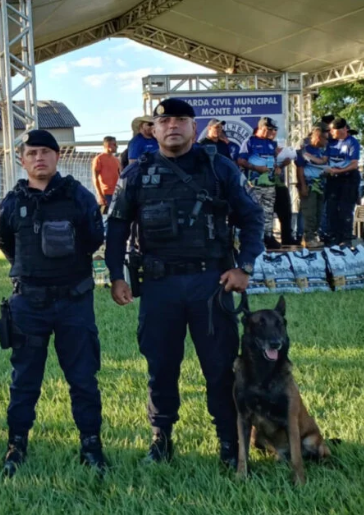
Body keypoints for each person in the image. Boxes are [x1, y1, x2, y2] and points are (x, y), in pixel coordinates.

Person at [105, 99, 264, 469]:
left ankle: (229, 442)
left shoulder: (219, 166)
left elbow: (252, 217)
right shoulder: (137, 172)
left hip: (211, 283)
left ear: (194, 127)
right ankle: (161, 439)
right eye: (164, 121)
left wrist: (244, 267)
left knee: (219, 367)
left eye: (180, 120)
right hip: (159, 285)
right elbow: (116, 227)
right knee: (160, 367)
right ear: (154, 129)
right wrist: (115, 275)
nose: (172, 126)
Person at [0, 129, 107, 477]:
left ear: (58, 156)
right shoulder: (12, 202)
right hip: (28, 304)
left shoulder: (79, 197)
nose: (39, 158)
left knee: (83, 378)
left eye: (45, 151)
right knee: (24, 379)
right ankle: (16, 444)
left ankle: (91, 445)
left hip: (74, 301)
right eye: (31, 153)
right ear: (22, 160)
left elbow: (93, 238)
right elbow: (7, 244)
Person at [238, 117, 283, 249]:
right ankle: (255, 238)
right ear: (261, 128)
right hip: (254, 184)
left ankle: (268, 237)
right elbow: (241, 160)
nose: (272, 132)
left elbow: (271, 161)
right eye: (269, 129)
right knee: (255, 211)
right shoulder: (250, 141)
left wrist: (276, 168)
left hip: (269, 183)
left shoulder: (271, 144)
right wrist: (256, 168)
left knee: (268, 212)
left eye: (274, 129)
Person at [325, 118, 361, 246]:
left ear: (343, 129)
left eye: (333, 130)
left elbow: (354, 164)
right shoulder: (330, 142)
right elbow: (324, 158)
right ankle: (334, 236)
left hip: (348, 178)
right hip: (333, 179)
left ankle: (346, 238)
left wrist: (339, 171)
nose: (331, 132)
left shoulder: (352, 142)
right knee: (331, 209)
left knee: (345, 209)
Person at [295, 125, 330, 248]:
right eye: (325, 139)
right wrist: (303, 185)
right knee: (309, 213)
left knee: (319, 213)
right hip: (309, 185)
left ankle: (313, 237)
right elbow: (300, 169)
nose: (327, 141)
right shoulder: (305, 151)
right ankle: (308, 238)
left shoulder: (322, 151)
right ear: (318, 137)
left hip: (320, 185)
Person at [267, 126, 298, 246]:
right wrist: (279, 165)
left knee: (285, 213)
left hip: (280, 185)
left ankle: (287, 237)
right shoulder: (263, 149)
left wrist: (283, 163)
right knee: (267, 214)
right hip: (267, 186)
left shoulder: (280, 150)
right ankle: (268, 237)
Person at [92, 136, 121, 214]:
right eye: (114, 144)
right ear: (108, 145)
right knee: (106, 216)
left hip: (116, 193)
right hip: (105, 194)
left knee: (116, 216)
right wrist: (100, 195)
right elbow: (95, 178)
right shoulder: (99, 159)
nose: (117, 146)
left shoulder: (116, 160)